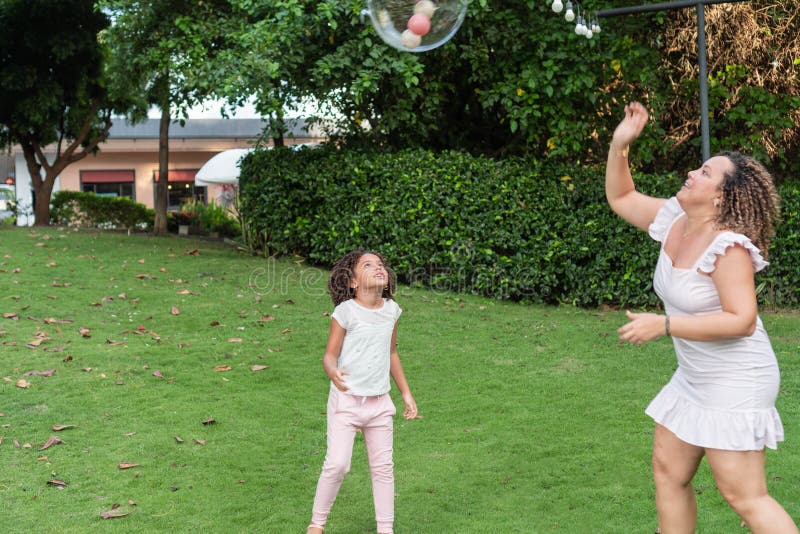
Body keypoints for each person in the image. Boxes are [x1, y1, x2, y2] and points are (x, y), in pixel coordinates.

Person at [606, 101, 798, 534]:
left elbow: (742, 320)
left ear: (720, 196)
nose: (692, 173)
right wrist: (620, 145)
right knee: (669, 471)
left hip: (737, 379)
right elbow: (621, 197)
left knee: (744, 495)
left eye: (705, 173)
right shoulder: (676, 219)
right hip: (696, 375)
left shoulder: (728, 247)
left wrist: (666, 324)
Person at [307, 250, 418, 534]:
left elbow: (391, 352)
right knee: (338, 465)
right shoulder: (346, 312)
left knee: (383, 468)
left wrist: (405, 392)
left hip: (380, 404)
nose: (378, 268)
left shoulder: (392, 311)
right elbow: (329, 356)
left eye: (380, 264)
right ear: (353, 282)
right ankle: (317, 524)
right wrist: (332, 371)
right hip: (346, 402)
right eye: (368, 265)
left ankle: (385, 528)